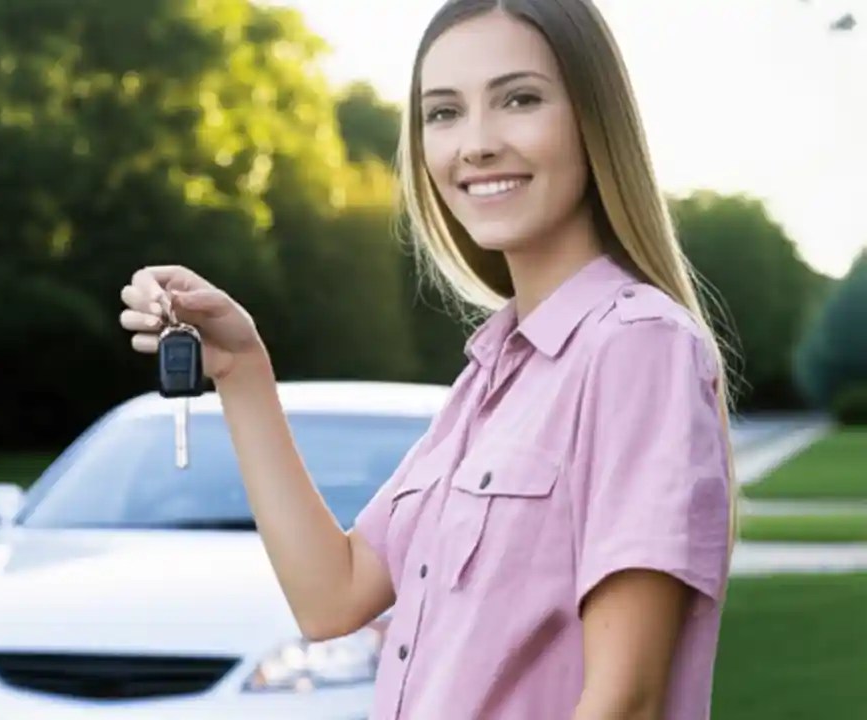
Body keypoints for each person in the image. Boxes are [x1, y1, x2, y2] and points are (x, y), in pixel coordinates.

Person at [118, 0, 736, 717]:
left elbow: (627, 699)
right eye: (443, 113)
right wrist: (242, 369)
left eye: (520, 99)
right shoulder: (491, 379)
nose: (474, 143)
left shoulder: (637, 345)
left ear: (593, 119)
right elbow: (332, 595)